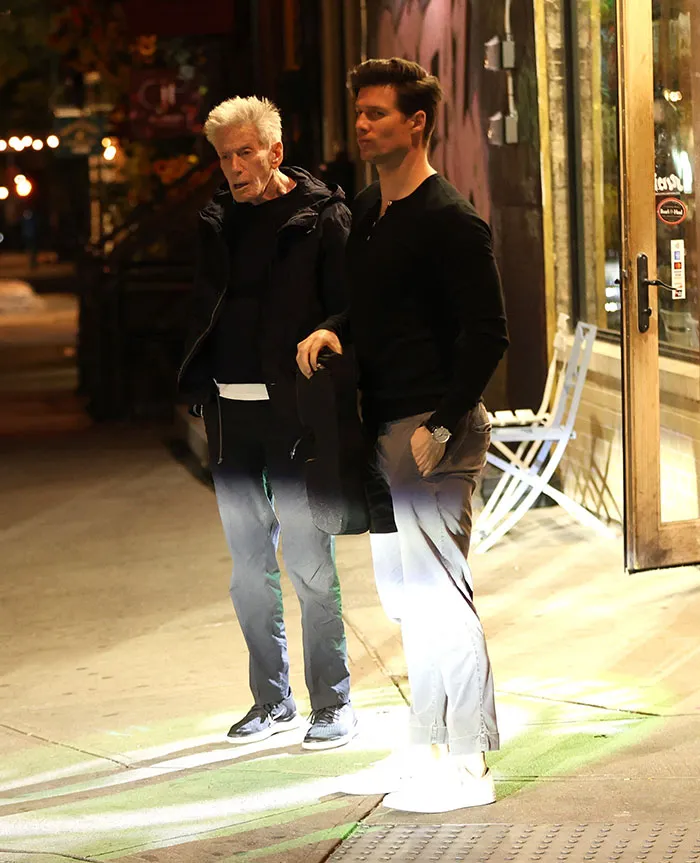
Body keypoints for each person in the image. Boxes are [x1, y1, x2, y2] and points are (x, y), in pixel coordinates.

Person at [297, 58, 509, 811]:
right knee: (406, 598)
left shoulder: (450, 218)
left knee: (441, 598)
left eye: (377, 113)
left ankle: (471, 760)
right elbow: (367, 307)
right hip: (380, 426)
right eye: (359, 112)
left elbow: (489, 334)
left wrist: (445, 422)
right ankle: (423, 747)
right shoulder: (369, 211)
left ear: (415, 123)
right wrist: (331, 329)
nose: (362, 123)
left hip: (431, 429)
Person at [178, 95, 357, 750]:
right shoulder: (218, 222)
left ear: (275, 152)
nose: (233, 166)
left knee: (310, 565)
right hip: (232, 418)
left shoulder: (322, 219)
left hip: (295, 417)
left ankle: (334, 703)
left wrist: (329, 331)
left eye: (244, 152)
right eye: (224, 157)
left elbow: (349, 309)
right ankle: (271, 699)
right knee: (248, 571)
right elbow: (206, 308)